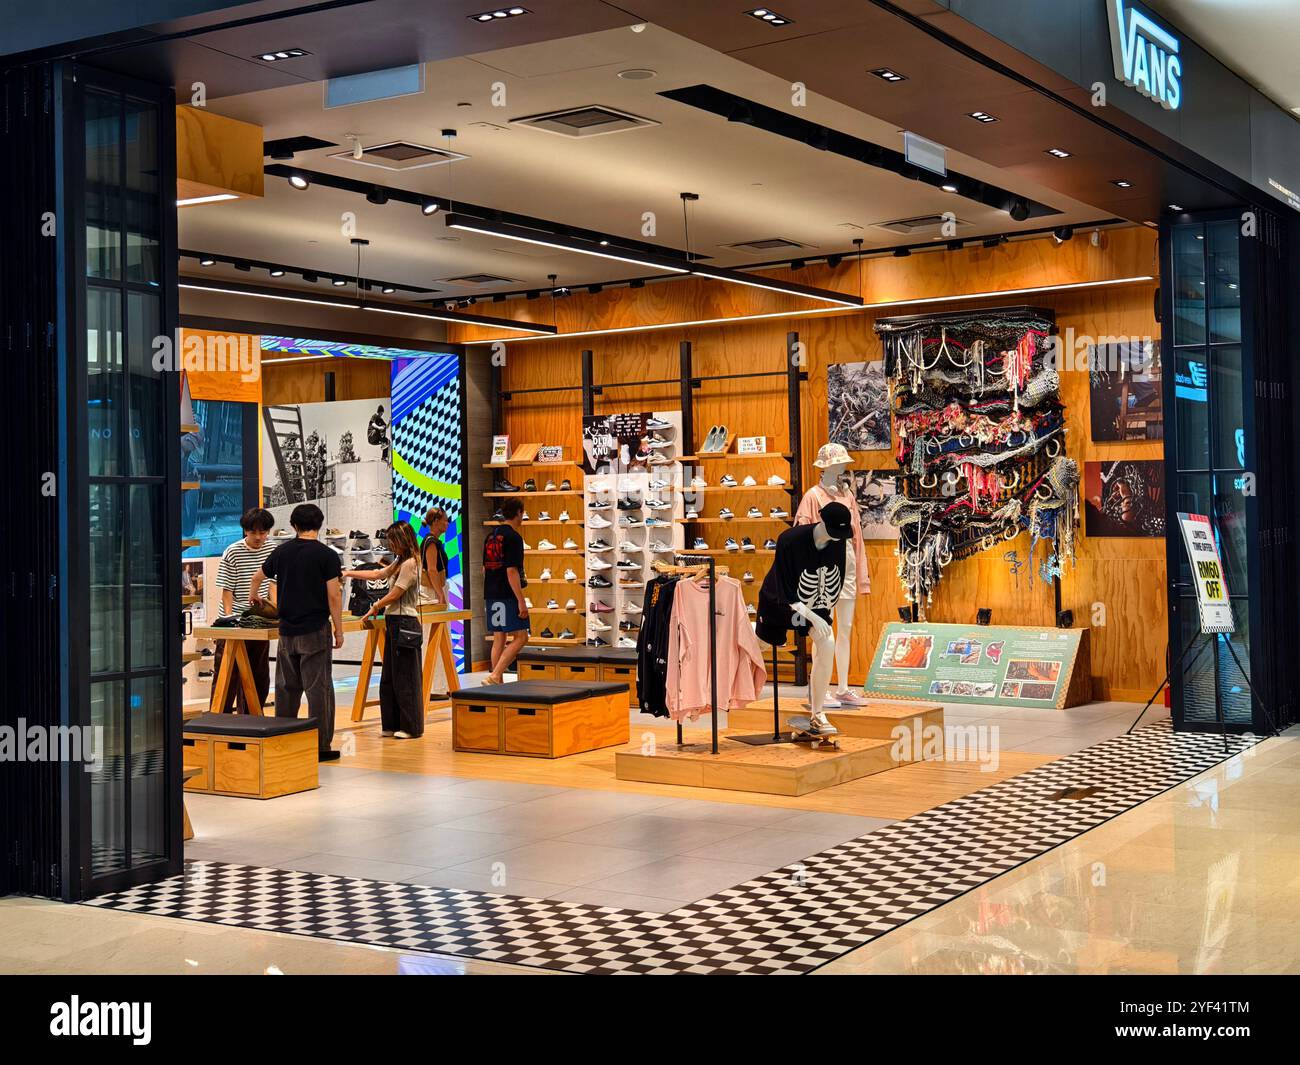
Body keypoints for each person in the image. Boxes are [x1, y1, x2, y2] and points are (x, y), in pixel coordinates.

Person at [250, 503, 344, 761]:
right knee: (319, 689)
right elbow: (334, 596)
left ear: (293, 525)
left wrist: (254, 598)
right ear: (320, 525)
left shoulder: (282, 552)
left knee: (286, 688)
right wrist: (339, 628)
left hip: (287, 630)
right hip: (315, 629)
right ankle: (320, 746)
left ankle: (283, 739)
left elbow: (257, 577)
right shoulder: (327, 555)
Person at [343, 523, 425, 739]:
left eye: (393, 540)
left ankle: (410, 726)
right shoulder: (399, 561)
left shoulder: (410, 563)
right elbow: (379, 574)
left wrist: (376, 606)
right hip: (394, 622)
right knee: (389, 676)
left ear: (402, 539)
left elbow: (396, 593)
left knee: (405, 677)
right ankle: (391, 723)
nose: (390, 545)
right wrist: (350, 572)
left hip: (405, 622)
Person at [213, 507, 277, 713]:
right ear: (245, 531)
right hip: (235, 622)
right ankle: (218, 719)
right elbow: (227, 589)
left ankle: (252, 719)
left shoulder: (273, 550)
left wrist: (275, 612)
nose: (258, 537)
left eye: (263, 532)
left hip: (260, 621)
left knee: (258, 674)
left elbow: (274, 584)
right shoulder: (233, 551)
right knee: (227, 674)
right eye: (253, 532)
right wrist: (229, 619)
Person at [483, 497, 529, 685]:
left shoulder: (490, 536)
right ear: (518, 512)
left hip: (491, 592)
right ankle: (495, 675)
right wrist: (521, 599)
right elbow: (512, 570)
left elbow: (484, 568)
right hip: (507, 594)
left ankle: (497, 682)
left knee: (498, 638)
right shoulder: (514, 538)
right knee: (521, 636)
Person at [421, 506, 450, 606]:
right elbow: (432, 570)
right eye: (445, 520)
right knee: (437, 620)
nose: (447, 523)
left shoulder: (433, 541)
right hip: (432, 591)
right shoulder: (431, 542)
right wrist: (440, 595)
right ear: (436, 521)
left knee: (440, 621)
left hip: (435, 589)